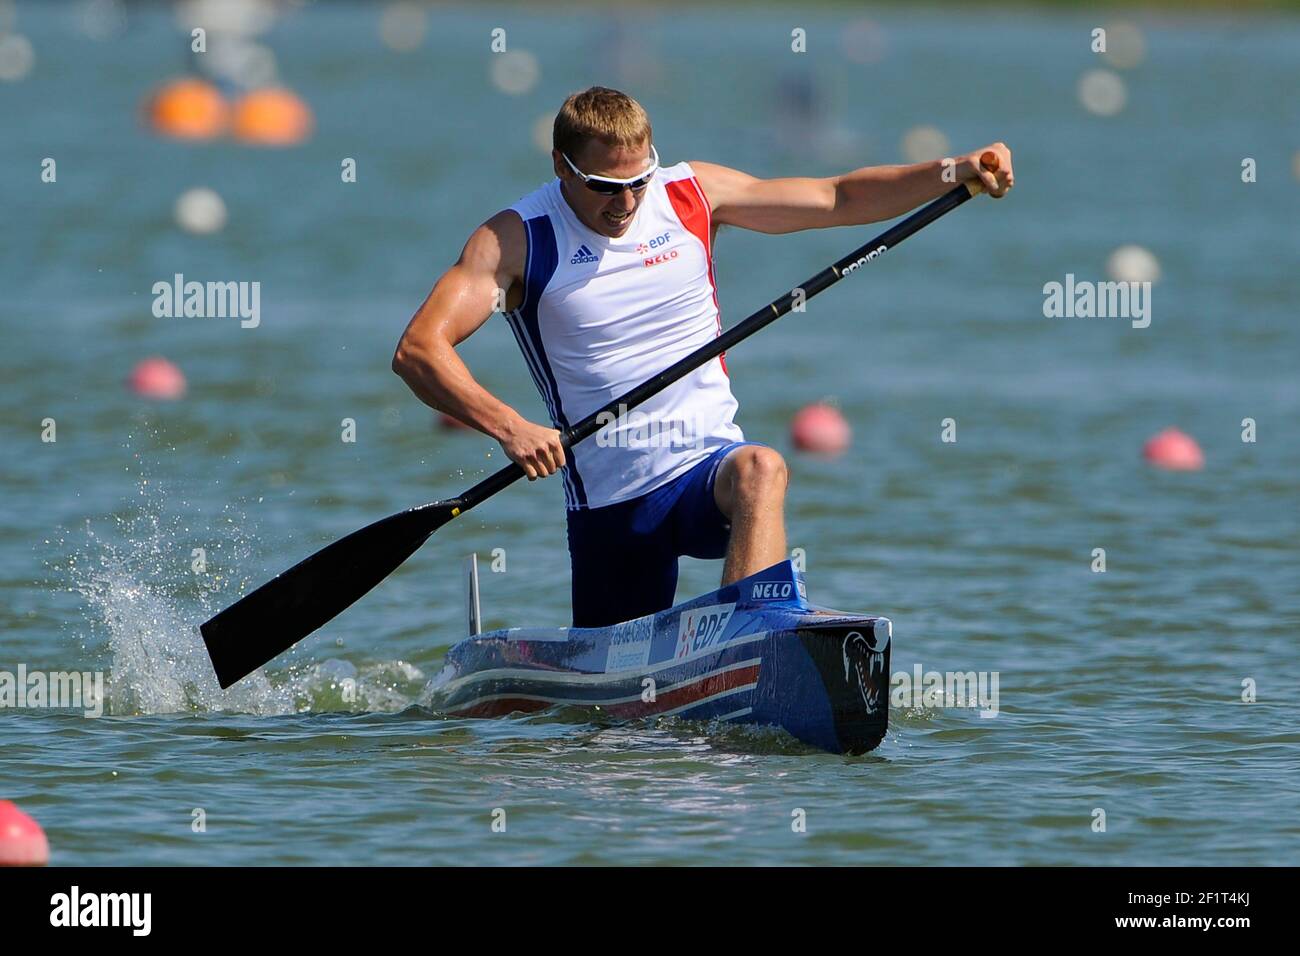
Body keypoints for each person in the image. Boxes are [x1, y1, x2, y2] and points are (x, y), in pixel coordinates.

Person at [393, 86, 1013, 626]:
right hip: (614, 503)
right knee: (609, 743)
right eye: (606, 187)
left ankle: (757, 635)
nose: (627, 202)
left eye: (639, 180)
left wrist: (952, 170)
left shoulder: (692, 195)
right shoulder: (517, 240)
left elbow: (837, 197)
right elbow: (419, 349)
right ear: (561, 165)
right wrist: (510, 426)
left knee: (761, 469)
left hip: (702, 470)